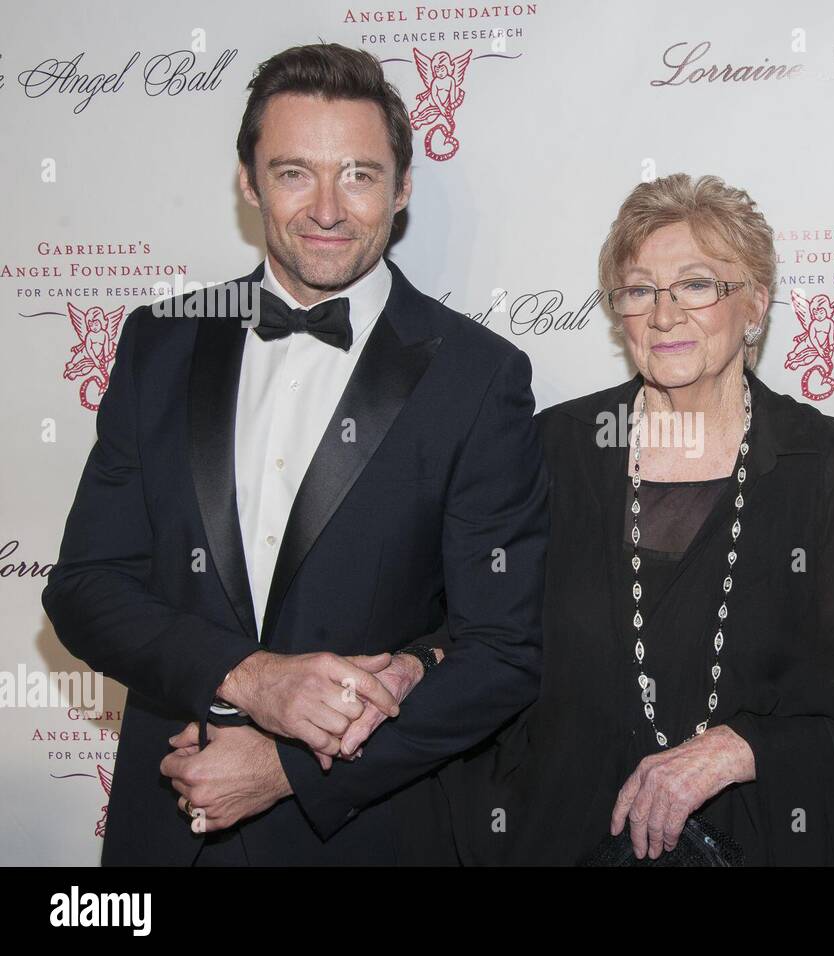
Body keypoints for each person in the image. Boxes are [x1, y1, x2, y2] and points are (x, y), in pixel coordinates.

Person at [41, 43, 548, 865]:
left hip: (361, 834)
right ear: (248, 182)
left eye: (358, 174)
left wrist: (288, 770)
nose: (327, 208)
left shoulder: (477, 378)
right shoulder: (158, 345)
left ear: (403, 187)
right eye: (292, 173)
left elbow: (500, 655)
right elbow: (85, 588)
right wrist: (250, 676)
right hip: (166, 831)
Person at [419, 173, 834, 865]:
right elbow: (479, 626)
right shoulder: (554, 449)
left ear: (756, 305)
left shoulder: (823, 464)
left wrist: (745, 747)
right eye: (640, 289)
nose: (663, 314)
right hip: (558, 836)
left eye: (697, 285)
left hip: (759, 839)